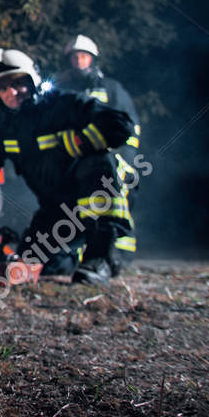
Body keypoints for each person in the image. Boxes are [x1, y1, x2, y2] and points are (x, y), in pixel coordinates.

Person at [0, 49, 134, 286]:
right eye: (3, 88)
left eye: (18, 83)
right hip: (56, 210)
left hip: (90, 198)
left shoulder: (63, 104)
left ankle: (101, 256)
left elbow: (119, 125)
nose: (12, 93)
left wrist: (74, 144)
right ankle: (76, 254)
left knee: (97, 163)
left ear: (32, 80)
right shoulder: (1, 125)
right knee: (37, 264)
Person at [53, 34, 142, 267]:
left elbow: (130, 129)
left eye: (83, 57)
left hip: (111, 159)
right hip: (74, 161)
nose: (79, 62)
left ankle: (119, 254)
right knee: (78, 209)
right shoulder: (60, 89)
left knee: (115, 205)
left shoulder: (112, 89)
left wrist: (127, 162)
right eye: (74, 58)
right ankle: (84, 254)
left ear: (92, 59)